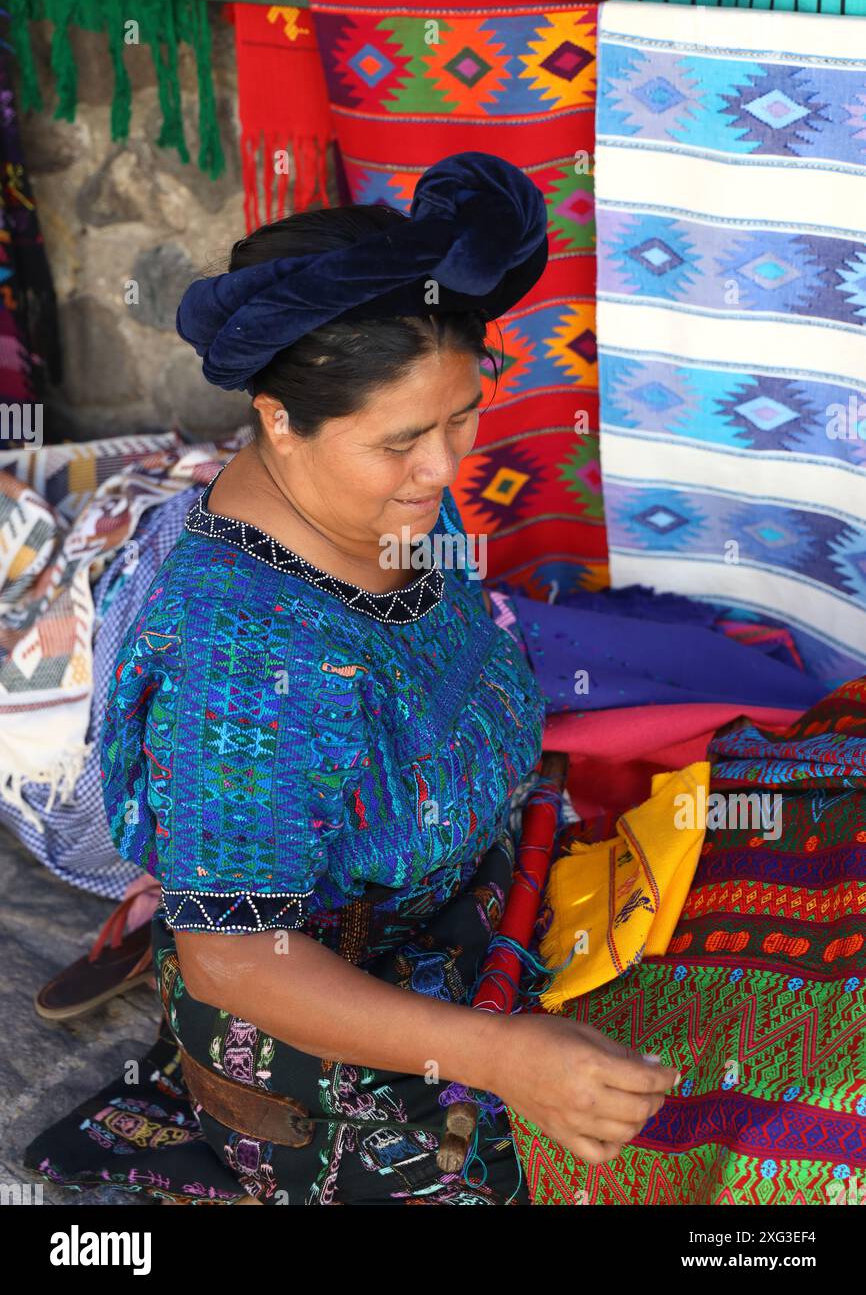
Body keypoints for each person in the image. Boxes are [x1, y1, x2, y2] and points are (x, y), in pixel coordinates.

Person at [30, 152, 678, 1206]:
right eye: (402, 440)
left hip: (471, 914)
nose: (442, 467)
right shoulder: (243, 657)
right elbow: (240, 961)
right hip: (322, 1026)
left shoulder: (390, 506)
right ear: (280, 417)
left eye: (459, 418)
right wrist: (502, 1059)